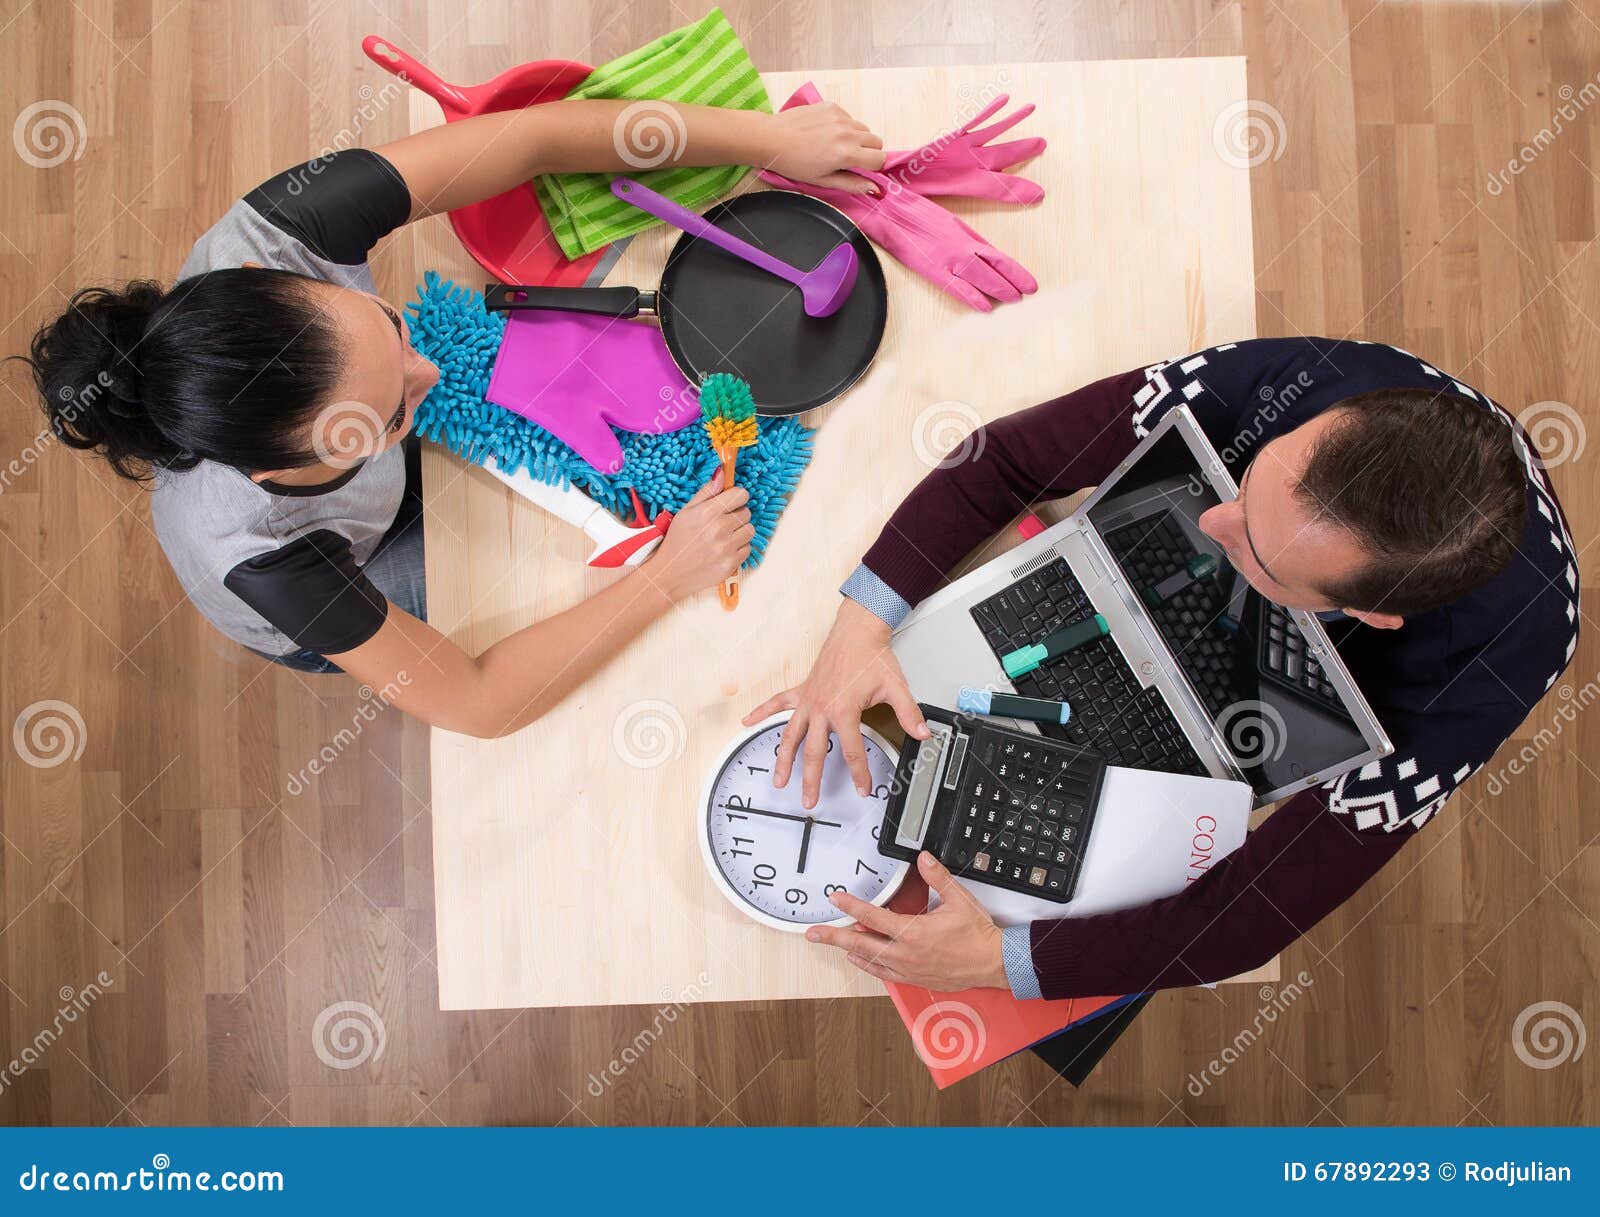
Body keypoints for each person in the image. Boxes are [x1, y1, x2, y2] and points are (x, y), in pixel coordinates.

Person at [19, 97, 886, 737]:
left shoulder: (284, 229)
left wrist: (772, 139)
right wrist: (666, 576)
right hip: (348, 562)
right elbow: (475, 699)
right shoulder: (262, 556)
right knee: (539, 605)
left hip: (350, 477)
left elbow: (538, 137)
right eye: (395, 410)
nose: (431, 372)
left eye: (394, 333)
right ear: (280, 473)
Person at [745, 337, 1578, 999]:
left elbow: (1259, 908)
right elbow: (1002, 460)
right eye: (1247, 481)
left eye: (1257, 550)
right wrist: (858, 629)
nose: (1211, 519)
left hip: (1288, 719)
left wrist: (1001, 960)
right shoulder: (1317, 381)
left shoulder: (1491, 665)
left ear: (1366, 616)